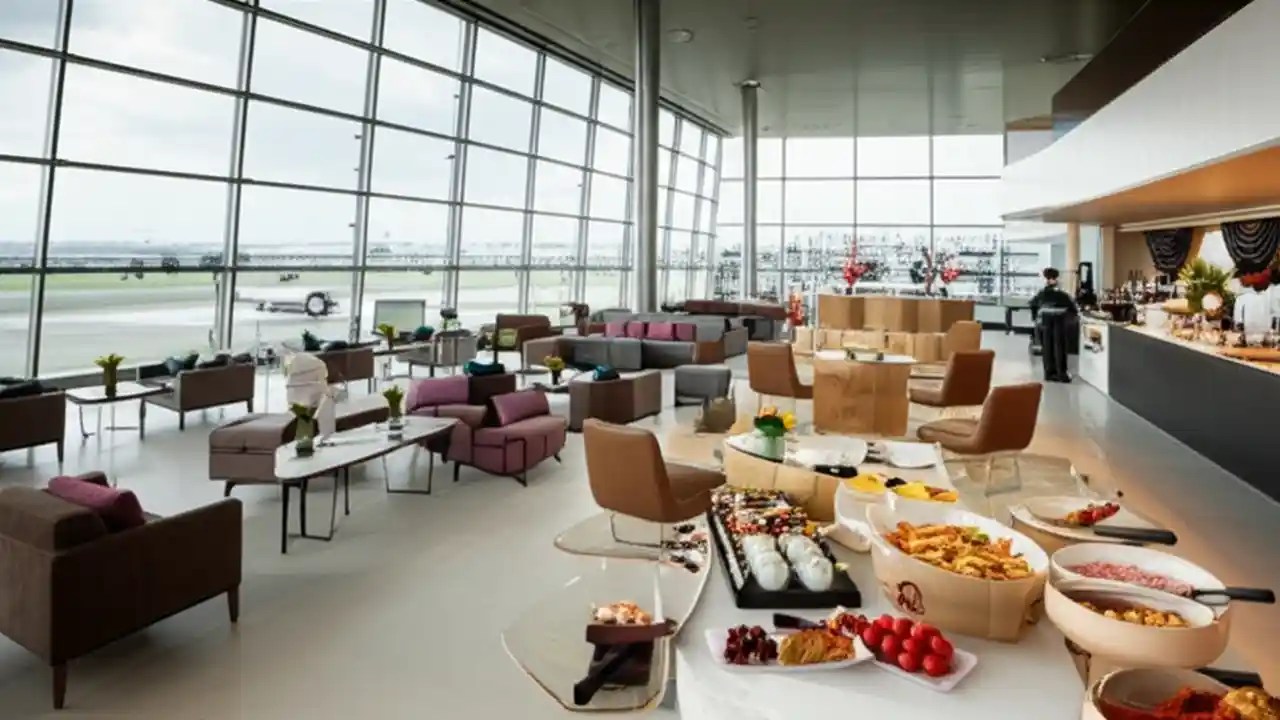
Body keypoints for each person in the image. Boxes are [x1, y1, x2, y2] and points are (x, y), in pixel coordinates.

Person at [1030, 268, 1077, 383]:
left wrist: (1035, 319)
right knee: (1059, 346)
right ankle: (1061, 373)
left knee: (1047, 347)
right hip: (1059, 320)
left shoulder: (1041, 294)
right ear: (1056, 278)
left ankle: (1049, 373)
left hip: (1045, 321)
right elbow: (1072, 308)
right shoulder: (1062, 294)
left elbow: (1033, 305)